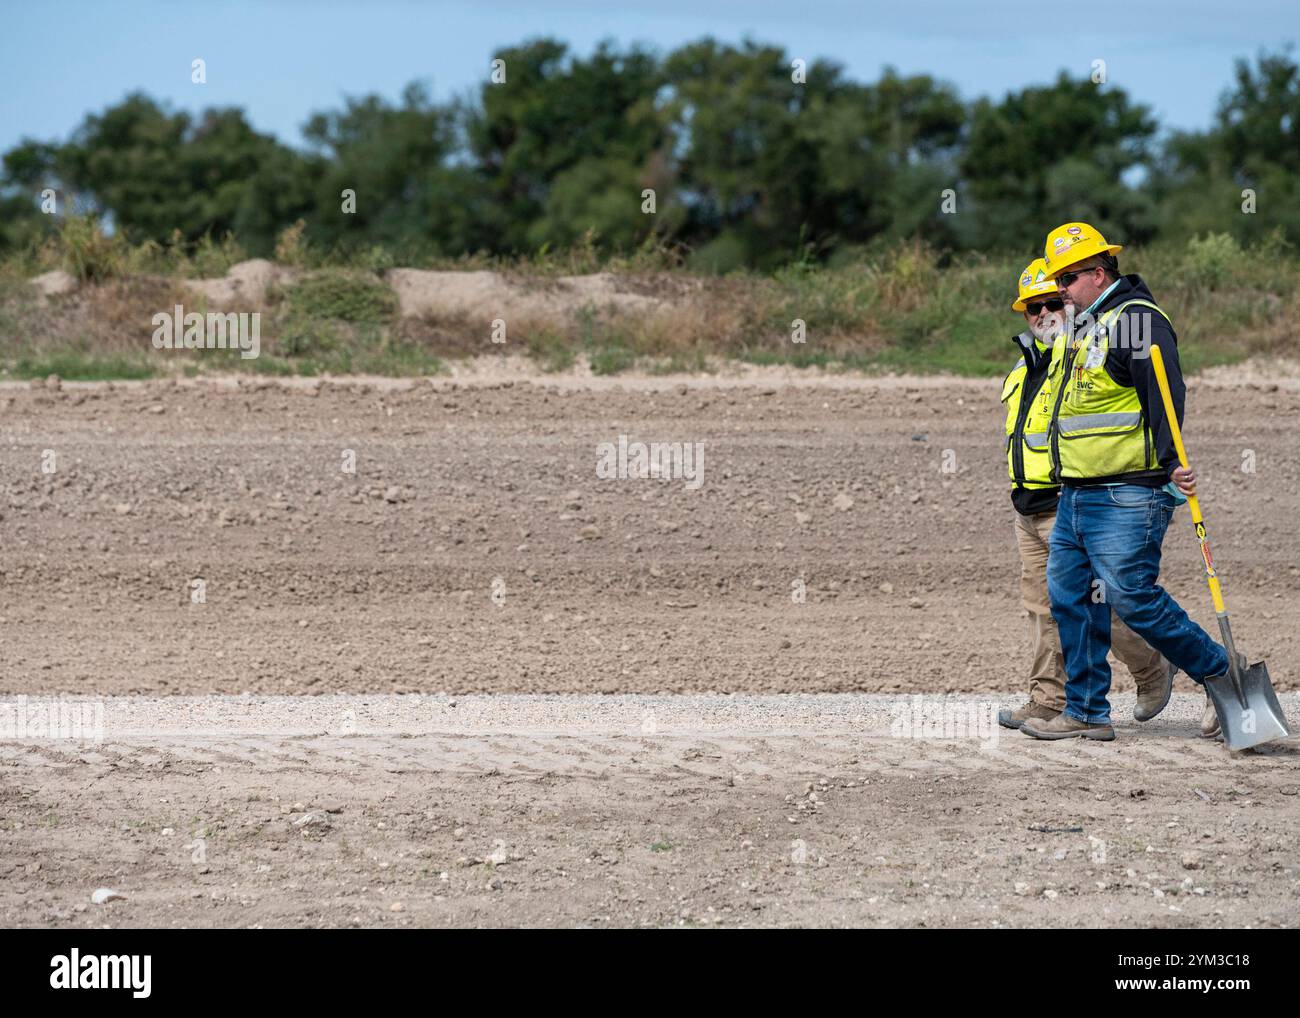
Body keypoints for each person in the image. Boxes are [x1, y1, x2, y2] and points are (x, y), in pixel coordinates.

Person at [1020, 222, 1235, 742]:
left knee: (1130, 595)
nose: (1059, 291)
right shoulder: (1084, 324)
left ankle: (1219, 673)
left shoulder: (1136, 321)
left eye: (1067, 279)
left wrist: (1170, 462)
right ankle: (1087, 711)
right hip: (1076, 490)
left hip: (1128, 491)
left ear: (1098, 273)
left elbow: (1165, 394)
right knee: (1071, 597)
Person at [997, 258, 1173, 733]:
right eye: (1034, 307)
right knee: (1043, 608)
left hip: (1072, 500)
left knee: (1098, 603)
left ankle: (1152, 668)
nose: (1045, 314)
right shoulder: (1024, 365)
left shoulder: (1080, 354)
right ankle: (1048, 699)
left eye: (1054, 302)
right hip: (1027, 507)